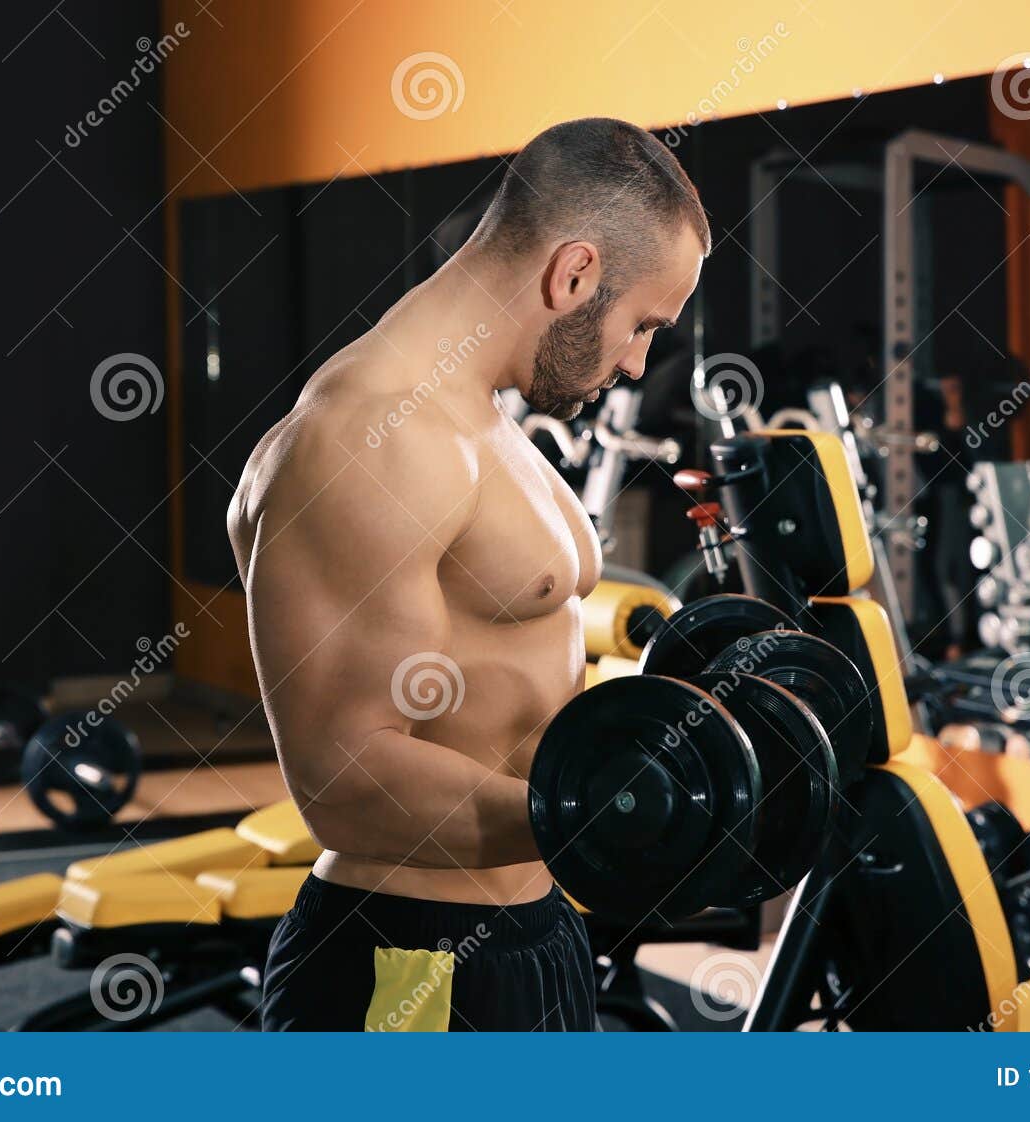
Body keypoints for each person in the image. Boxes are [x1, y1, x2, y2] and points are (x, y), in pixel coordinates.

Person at [227, 118, 710, 1030]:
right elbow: (344, 778)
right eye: (643, 322)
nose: (641, 360)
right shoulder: (375, 436)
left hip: (532, 931)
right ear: (572, 274)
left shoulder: (481, 417)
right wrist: (626, 823)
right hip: (411, 962)